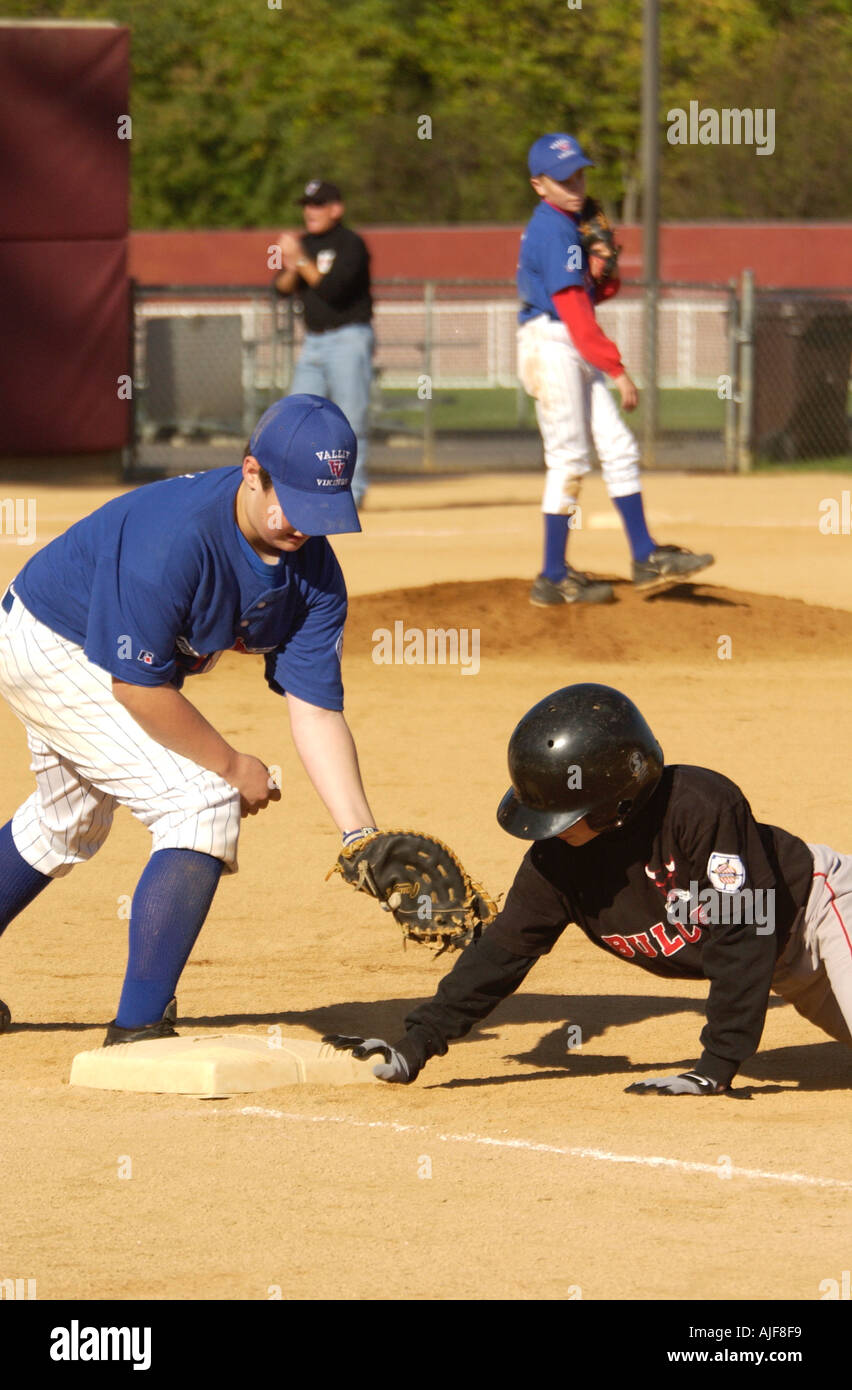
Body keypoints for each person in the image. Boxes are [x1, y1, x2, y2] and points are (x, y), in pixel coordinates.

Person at [0, 395, 380, 1046]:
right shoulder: (174, 538)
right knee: (201, 800)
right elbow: (139, 687)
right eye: (295, 501)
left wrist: (361, 836)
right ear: (251, 471)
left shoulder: (313, 573)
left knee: (70, 822)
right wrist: (234, 767)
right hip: (56, 641)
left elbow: (315, 706)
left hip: (105, 654)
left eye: (324, 510)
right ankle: (138, 1029)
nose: (306, 528)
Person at [326, 684, 852, 1091]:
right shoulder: (557, 863)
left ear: (617, 800)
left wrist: (715, 1065)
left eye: (561, 814)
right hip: (784, 967)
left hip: (818, 911)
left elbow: (742, 929)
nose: (550, 829)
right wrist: (413, 1045)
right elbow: (501, 955)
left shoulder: (698, 807)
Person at [516, 134, 714, 605]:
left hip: (567, 338)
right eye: (563, 179)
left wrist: (602, 271)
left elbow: (587, 296)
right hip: (553, 342)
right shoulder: (553, 229)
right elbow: (573, 311)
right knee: (569, 458)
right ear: (539, 185)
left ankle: (645, 556)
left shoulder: (568, 225)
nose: (575, 185)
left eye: (579, 174)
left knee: (619, 446)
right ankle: (552, 576)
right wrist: (617, 368)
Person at [274, 180, 373, 507]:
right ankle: (302, 489)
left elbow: (333, 290)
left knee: (349, 418)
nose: (310, 212)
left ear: (336, 208)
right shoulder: (304, 245)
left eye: (317, 205)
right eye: (306, 205)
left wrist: (300, 260)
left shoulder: (351, 244)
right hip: (314, 342)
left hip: (349, 338)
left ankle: (352, 493)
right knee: (298, 414)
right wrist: (291, 265)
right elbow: (281, 288)